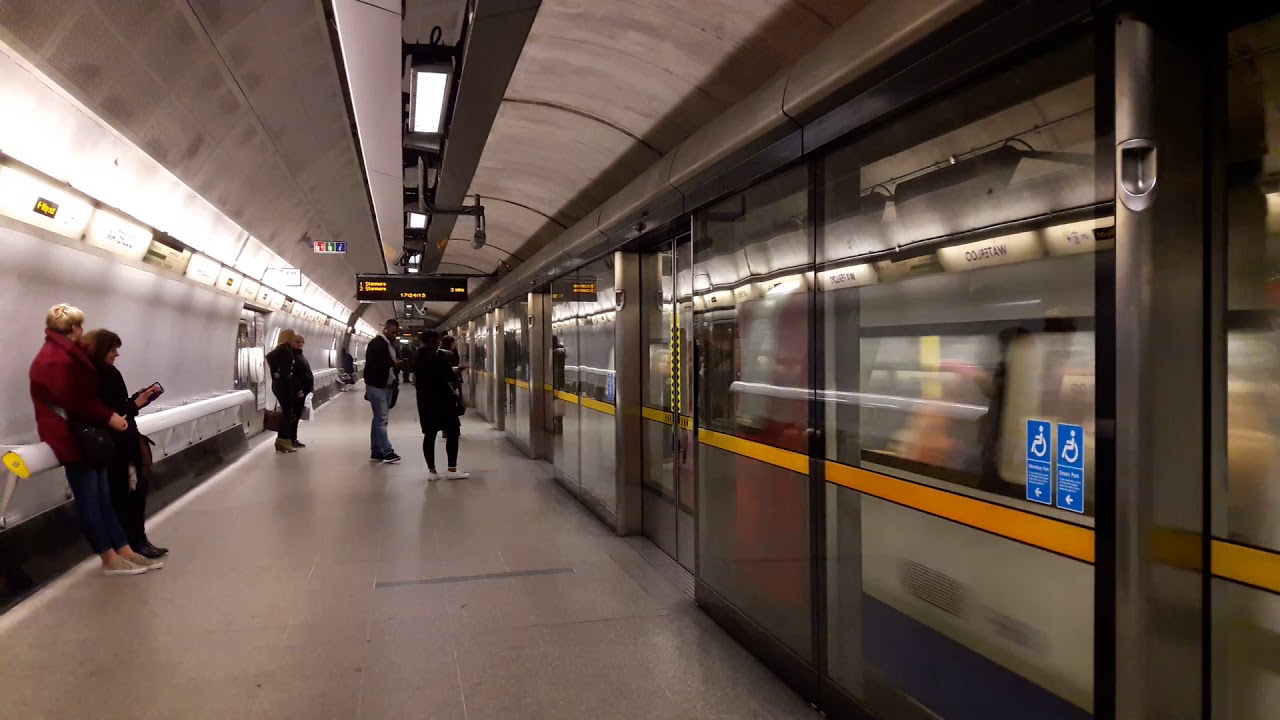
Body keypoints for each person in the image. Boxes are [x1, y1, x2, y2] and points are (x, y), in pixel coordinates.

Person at [28, 304, 162, 575]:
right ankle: (109, 559)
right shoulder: (55, 359)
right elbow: (74, 400)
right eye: (80, 325)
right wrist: (109, 417)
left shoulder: (66, 355)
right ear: (73, 328)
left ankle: (124, 551)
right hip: (72, 436)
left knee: (103, 498)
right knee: (90, 500)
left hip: (86, 435)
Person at [82, 329, 167, 559]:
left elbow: (117, 407)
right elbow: (111, 413)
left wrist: (137, 399)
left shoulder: (100, 373)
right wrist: (136, 403)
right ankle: (133, 543)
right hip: (117, 447)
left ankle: (135, 542)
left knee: (130, 494)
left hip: (120, 444)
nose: (116, 354)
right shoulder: (102, 376)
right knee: (127, 496)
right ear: (101, 350)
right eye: (112, 349)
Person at [413, 330, 467, 480]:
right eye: (437, 340)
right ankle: (452, 469)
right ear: (432, 341)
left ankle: (432, 472)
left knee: (429, 435)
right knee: (452, 432)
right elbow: (448, 376)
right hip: (443, 400)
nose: (439, 343)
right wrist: (455, 372)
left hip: (424, 400)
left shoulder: (416, 356)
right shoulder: (438, 355)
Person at [364, 318, 402, 463]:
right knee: (382, 419)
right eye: (393, 332)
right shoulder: (377, 343)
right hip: (377, 385)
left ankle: (376, 451)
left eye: (397, 333)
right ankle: (387, 451)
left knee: (378, 419)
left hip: (387, 385)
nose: (395, 335)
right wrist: (392, 363)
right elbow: (374, 364)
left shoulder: (390, 345)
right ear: (385, 329)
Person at [266, 329, 301, 453]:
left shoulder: (285, 349)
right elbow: (269, 356)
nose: (294, 338)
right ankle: (283, 441)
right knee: (287, 414)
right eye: (293, 336)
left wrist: (276, 372)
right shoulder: (284, 350)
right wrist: (276, 372)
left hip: (282, 384)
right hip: (283, 385)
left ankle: (282, 442)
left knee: (287, 413)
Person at [291, 333, 314, 447]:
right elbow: (294, 375)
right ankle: (291, 438)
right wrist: (299, 389)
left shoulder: (299, 355)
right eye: (297, 342)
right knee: (294, 415)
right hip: (298, 391)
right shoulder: (293, 356)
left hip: (303, 390)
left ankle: (293, 438)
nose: (300, 344)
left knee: (297, 415)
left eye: (302, 342)